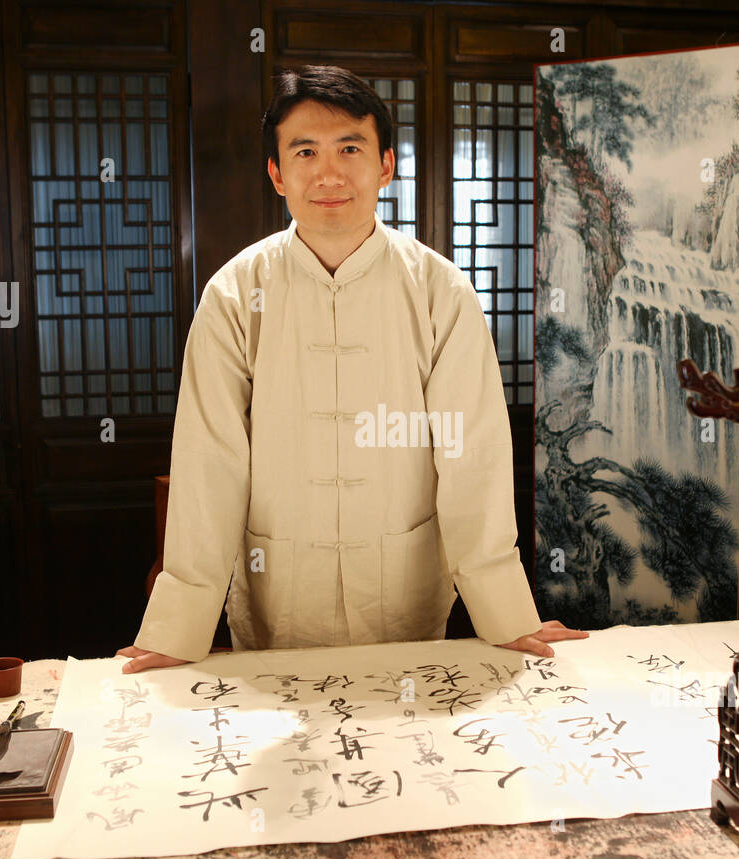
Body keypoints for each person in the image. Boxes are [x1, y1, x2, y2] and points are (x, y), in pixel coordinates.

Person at [116, 65, 587, 674]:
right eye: (305, 151)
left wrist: (506, 612)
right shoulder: (236, 293)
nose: (329, 173)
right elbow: (211, 459)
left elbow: (472, 454)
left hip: (403, 584)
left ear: (386, 165)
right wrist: (178, 628)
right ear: (276, 173)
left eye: (350, 148)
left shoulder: (440, 291)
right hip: (278, 587)